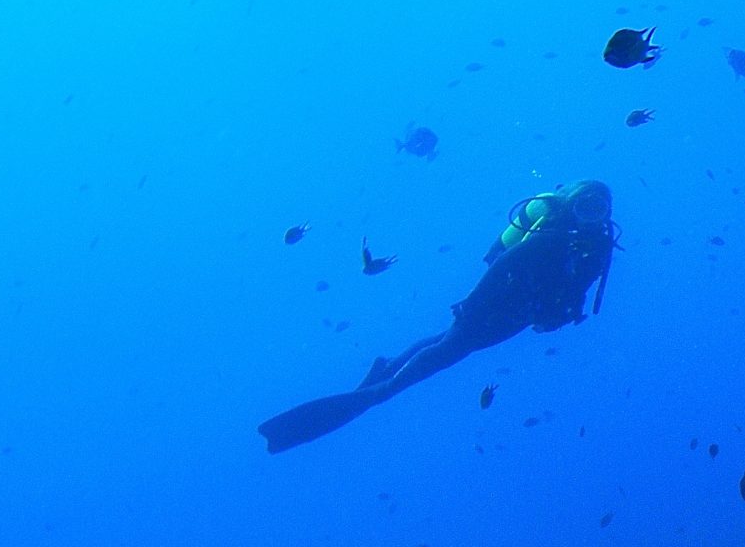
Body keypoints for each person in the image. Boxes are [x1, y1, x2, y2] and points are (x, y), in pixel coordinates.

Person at [259, 179, 617, 453]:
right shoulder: (550, 237)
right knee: (449, 351)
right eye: (583, 207)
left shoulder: (599, 248)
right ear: (570, 207)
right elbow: (504, 264)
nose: (589, 216)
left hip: (516, 315)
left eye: (597, 209)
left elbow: (579, 291)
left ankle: (386, 370)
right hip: (495, 305)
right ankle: (379, 390)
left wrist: (563, 314)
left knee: (449, 344)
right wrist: (472, 303)